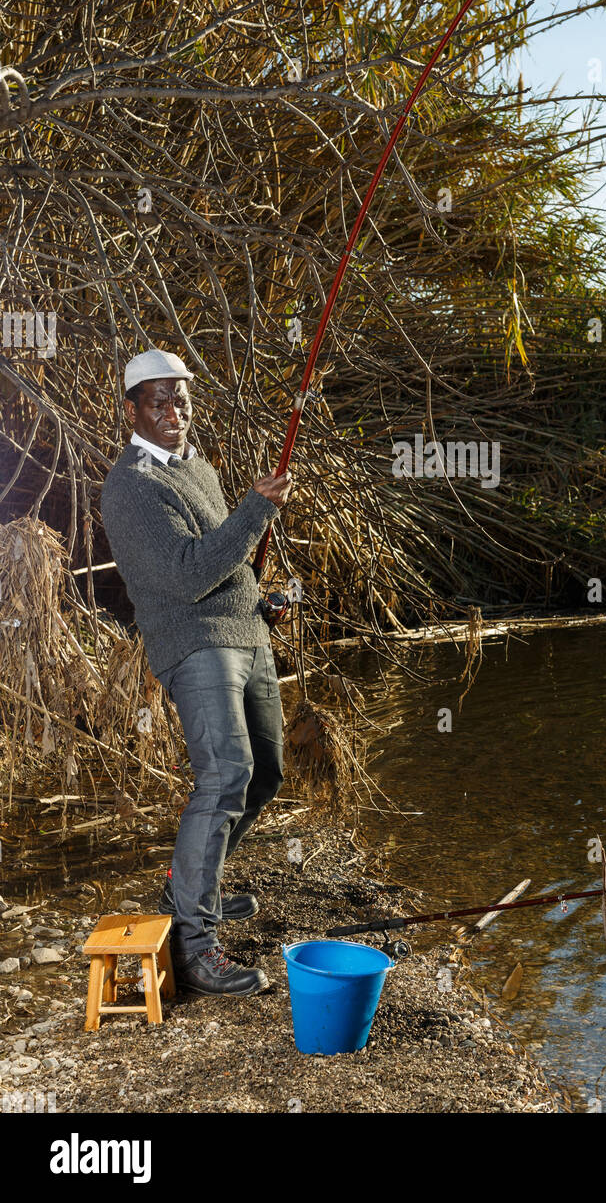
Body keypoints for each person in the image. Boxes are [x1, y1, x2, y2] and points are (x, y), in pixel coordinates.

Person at [100, 348, 292, 996]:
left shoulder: (197, 469)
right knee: (224, 776)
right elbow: (185, 574)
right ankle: (194, 942)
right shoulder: (131, 487)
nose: (175, 412)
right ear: (132, 410)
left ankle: (190, 885)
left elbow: (225, 562)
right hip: (195, 644)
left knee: (265, 774)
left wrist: (261, 598)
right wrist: (254, 512)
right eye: (160, 401)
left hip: (247, 633)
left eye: (182, 399)